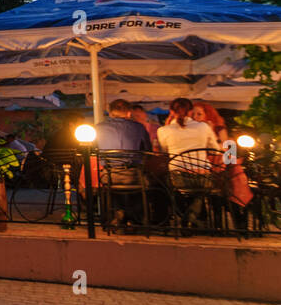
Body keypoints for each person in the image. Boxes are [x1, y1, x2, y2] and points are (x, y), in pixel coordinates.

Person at [157, 98, 220, 229]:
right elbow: (215, 150)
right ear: (190, 111)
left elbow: (165, 151)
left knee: (169, 187)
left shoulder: (163, 130)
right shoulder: (204, 127)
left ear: (171, 111)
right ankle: (191, 216)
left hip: (177, 177)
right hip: (202, 177)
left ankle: (186, 216)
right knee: (202, 190)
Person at [94, 98, 152, 231]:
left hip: (109, 175)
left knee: (109, 187)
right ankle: (134, 218)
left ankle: (117, 214)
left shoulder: (99, 127)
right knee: (147, 184)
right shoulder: (138, 127)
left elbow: (94, 149)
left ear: (109, 112)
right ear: (128, 113)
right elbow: (148, 150)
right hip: (133, 175)